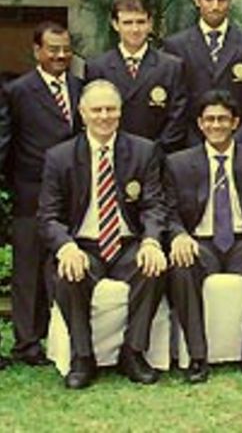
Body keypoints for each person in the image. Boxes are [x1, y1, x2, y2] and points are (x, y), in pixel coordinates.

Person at [38, 80, 169, 389]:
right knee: (69, 273)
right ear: (83, 113)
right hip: (83, 245)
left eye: (110, 109)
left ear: (120, 113)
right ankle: (83, 358)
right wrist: (66, 247)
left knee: (153, 267)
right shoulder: (60, 157)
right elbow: (48, 217)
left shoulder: (143, 151)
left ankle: (133, 353)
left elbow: (154, 204)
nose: (104, 116)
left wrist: (151, 241)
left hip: (126, 244)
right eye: (96, 110)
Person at [163, 90, 242, 380]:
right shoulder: (179, 163)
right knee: (181, 263)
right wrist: (179, 235)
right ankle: (196, 356)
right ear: (200, 123)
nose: (216, 125)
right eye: (210, 119)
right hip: (201, 241)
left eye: (222, 119)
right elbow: (168, 212)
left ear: (235, 122)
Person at [0, 21, 82, 368]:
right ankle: (27, 343)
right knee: (28, 270)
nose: (60, 55)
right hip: (31, 191)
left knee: (63, 266)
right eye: (53, 49)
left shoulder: (81, 87)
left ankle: (59, 336)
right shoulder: (17, 91)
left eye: (65, 49)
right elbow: (6, 141)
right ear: (37, 51)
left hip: (74, 195)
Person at [163, 0, 242, 147]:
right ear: (196, 0)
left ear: (229, 1)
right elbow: (175, 104)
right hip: (190, 148)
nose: (215, 6)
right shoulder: (176, 46)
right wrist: (195, 145)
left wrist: (239, 143)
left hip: (239, 147)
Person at [84, 0, 187, 152]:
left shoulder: (171, 66)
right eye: (127, 22)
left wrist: (153, 152)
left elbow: (177, 118)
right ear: (115, 24)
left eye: (140, 22)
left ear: (150, 23)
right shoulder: (98, 67)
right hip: (113, 156)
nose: (135, 29)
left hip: (158, 157)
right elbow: (93, 116)